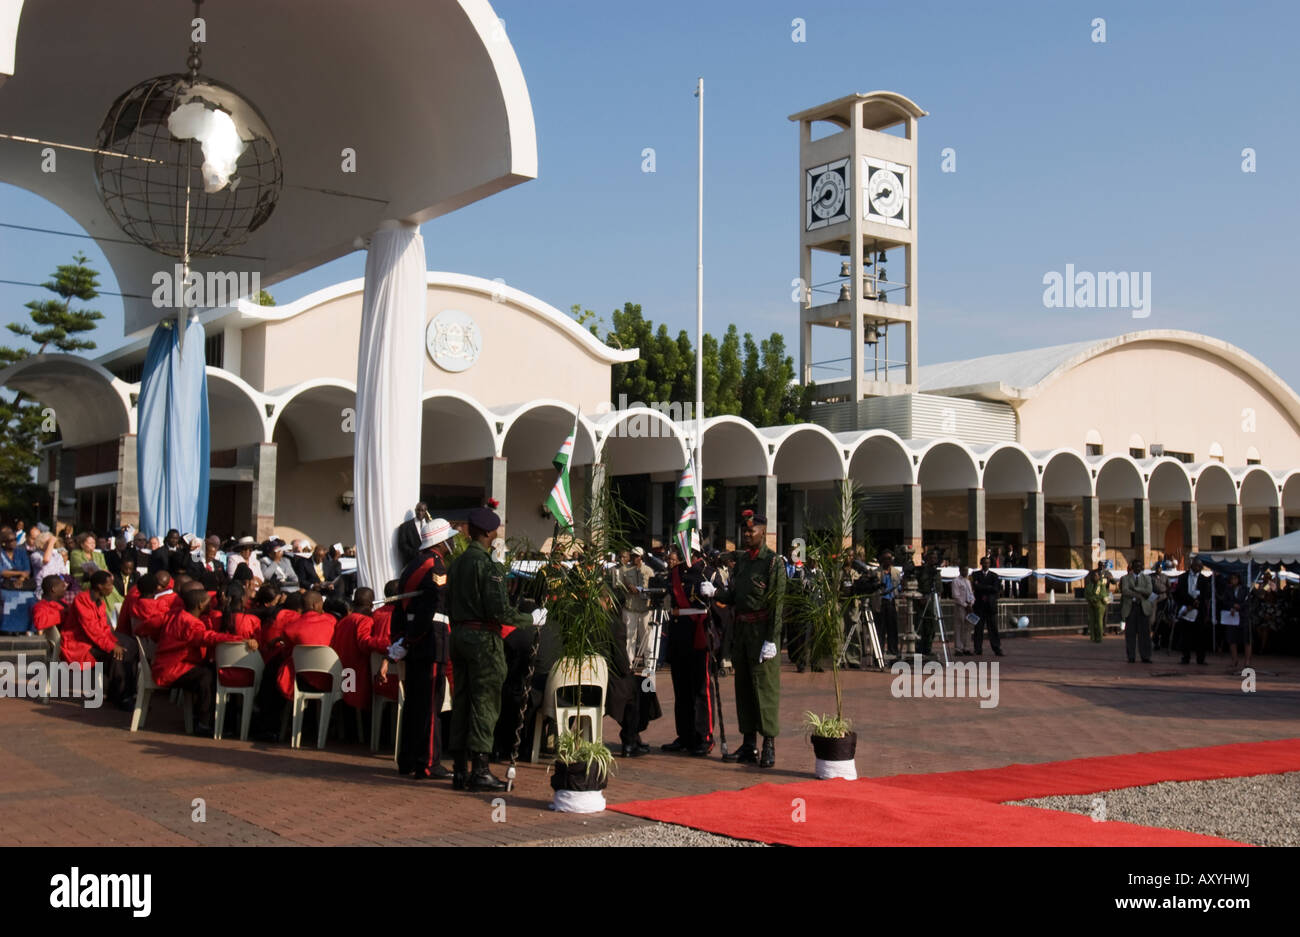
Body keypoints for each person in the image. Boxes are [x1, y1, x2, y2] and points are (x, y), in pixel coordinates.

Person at [447, 504, 543, 792]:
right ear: (489, 532)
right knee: (485, 703)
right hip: (483, 640)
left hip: (460, 635)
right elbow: (499, 611)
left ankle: (460, 769)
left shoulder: (457, 564)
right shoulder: (488, 566)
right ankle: (480, 770)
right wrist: (531, 618)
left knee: (462, 701)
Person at [715, 510, 784, 769]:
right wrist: (716, 592)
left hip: (761, 632)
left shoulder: (772, 563)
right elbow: (735, 595)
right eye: (744, 531)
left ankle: (768, 744)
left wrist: (772, 640)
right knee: (743, 688)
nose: (746, 535)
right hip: (742, 632)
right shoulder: (743, 562)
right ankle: (748, 744)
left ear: (763, 532)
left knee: (764, 689)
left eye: (750, 531)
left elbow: (777, 604)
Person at [393, 517, 457, 780]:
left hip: (418, 641)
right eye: (450, 539)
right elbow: (432, 605)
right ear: (441, 543)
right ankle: (428, 761)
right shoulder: (436, 566)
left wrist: (404, 639)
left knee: (414, 704)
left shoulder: (412, 565)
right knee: (431, 705)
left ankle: (407, 759)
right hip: (431, 641)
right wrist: (413, 638)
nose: (453, 542)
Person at [152, 587, 257, 735]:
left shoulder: (175, 614)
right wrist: (239, 639)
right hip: (171, 670)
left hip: (165, 665)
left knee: (208, 671)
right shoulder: (191, 623)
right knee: (206, 676)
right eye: (208, 603)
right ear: (200, 605)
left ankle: (204, 720)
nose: (211, 605)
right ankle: (203, 724)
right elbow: (208, 637)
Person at [661, 541, 715, 757]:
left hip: (697, 633)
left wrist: (713, 593)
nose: (675, 552)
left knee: (701, 688)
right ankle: (685, 735)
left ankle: (705, 737)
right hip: (678, 633)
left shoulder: (706, 572)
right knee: (681, 687)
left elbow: (721, 602)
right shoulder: (675, 573)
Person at [61, 570, 137, 708]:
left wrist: (113, 641)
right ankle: (121, 697)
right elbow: (91, 629)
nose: (112, 587)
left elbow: (103, 628)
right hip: (80, 643)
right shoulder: (82, 599)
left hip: (92, 639)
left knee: (130, 644)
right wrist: (111, 646)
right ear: (99, 586)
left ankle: (127, 692)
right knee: (117, 654)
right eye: (109, 584)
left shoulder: (99, 602)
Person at [617, 547, 654, 672]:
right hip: (630, 607)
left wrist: (642, 590)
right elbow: (619, 586)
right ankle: (629, 664)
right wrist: (627, 588)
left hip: (645, 609)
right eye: (633, 556)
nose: (635, 558)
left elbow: (653, 587)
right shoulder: (624, 570)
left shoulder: (648, 571)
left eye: (637, 556)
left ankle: (648, 664)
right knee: (629, 637)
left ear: (641, 557)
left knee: (647, 637)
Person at [1173, 558, 1212, 665]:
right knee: (1186, 635)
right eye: (1196, 566)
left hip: (1199, 610)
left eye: (1200, 566)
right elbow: (1179, 592)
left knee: (1200, 636)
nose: (1198, 568)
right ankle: (1186, 657)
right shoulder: (1182, 577)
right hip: (1186, 608)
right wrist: (1189, 603)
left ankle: (1200, 658)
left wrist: (1197, 603)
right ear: (1192, 565)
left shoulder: (1204, 579)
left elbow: (1205, 595)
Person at [1119, 557, 1155, 664]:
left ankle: (1146, 656)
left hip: (1143, 609)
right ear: (1132, 567)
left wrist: (1135, 589)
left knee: (1145, 634)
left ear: (1142, 567)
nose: (1138, 568)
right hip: (1131, 608)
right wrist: (1139, 595)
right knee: (1130, 634)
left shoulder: (1147, 578)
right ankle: (1131, 656)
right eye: (1136, 566)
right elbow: (1125, 591)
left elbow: (1149, 591)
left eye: (1140, 566)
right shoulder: (1125, 578)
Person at [0, 527, 35, 633]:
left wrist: (21, 578)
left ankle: (26, 629)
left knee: (31, 598)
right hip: (3, 584)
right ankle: (6, 629)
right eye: (11, 541)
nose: (14, 542)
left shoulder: (21, 552)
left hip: (21, 584)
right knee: (7, 598)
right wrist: (19, 573)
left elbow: (27, 570)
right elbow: (2, 572)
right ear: (4, 543)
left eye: (15, 539)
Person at [970, 555, 1004, 656]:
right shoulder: (975, 574)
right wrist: (988, 587)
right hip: (979, 605)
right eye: (984, 563)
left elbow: (995, 589)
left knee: (993, 628)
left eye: (988, 563)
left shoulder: (994, 575)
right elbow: (975, 586)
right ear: (981, 564)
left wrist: (982, 587)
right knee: (978, 628)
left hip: (990, 605)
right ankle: (978, 649)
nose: (986, 565)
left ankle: (996, 648)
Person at [1218, 572, 1251, 672]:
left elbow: (1248, 602)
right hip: (1232, 617)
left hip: (1243, 617)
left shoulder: (1245, 590)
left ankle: (1247, 661)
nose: (1234, 581)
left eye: (1235, 579)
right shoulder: (1228, 590)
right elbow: (1224, 601)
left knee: (1246, 640)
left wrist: (1240, 606)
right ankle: (1234, 659)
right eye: (1232, 579)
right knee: (1232, 639)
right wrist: (1232, 606)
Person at [874, 550, 901, 659]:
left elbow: (899, 587)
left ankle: (893, 651)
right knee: (880, 630)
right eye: (885, 559)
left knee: (892, 629)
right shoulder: (876, 572)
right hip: (881, 603)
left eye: (889, 559)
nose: (888, 561)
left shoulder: (896, 572)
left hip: (892, 602)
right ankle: (879, 653)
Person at [396, 502, 433, 569]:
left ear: (425, 512)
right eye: (418, 510)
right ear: (415, 510)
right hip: (411, 564)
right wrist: (416, 553)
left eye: (422, 510)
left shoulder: (430, 525)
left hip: (427, 564)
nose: (420, 512)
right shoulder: (405, 527)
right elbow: (402, 545)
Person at [950, 564, 975, 656]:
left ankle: (966, 647)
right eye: (964, 570)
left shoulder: (968, 581)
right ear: (960, 570)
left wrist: (971, 603)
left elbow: (971, 593)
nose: (966, 572)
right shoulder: (956, 581)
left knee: (968, 627)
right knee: (959, 627)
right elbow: (956, 596)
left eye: (967, 570)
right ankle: (958, 648)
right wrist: (965, 604)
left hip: (969, 606)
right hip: (960, 606)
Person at [1084, 565, 1109, 643]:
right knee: (1092, 621)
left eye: (1096, 575)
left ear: (1098, 577)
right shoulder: (1089, 585)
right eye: (1093, 576)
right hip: (1091, 605)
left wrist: (1094, 599)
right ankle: (1093, 637)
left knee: (1099, 621)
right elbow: (1086, 594)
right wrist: (1091, 599)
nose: (1094, 577)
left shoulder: (1101, 585)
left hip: (1100, 605)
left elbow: (1102, 594)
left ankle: (1099, 637)